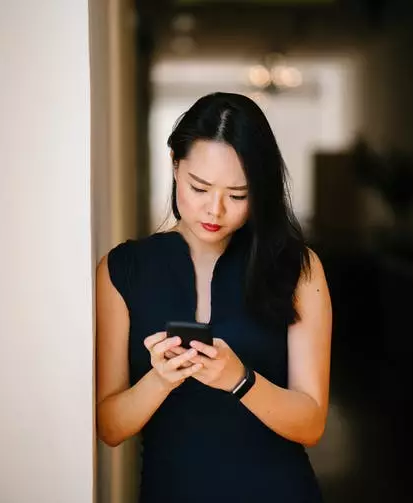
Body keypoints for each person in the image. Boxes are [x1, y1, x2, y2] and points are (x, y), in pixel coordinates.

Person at [96, 92, 332, 503]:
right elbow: (111, 427)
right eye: (199, 187)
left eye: (238, 195)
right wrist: (160, 379)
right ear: (174, 164)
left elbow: (311, 424)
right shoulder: (124, 270)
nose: (215, 209)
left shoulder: (298, 269)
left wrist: (238, 380)